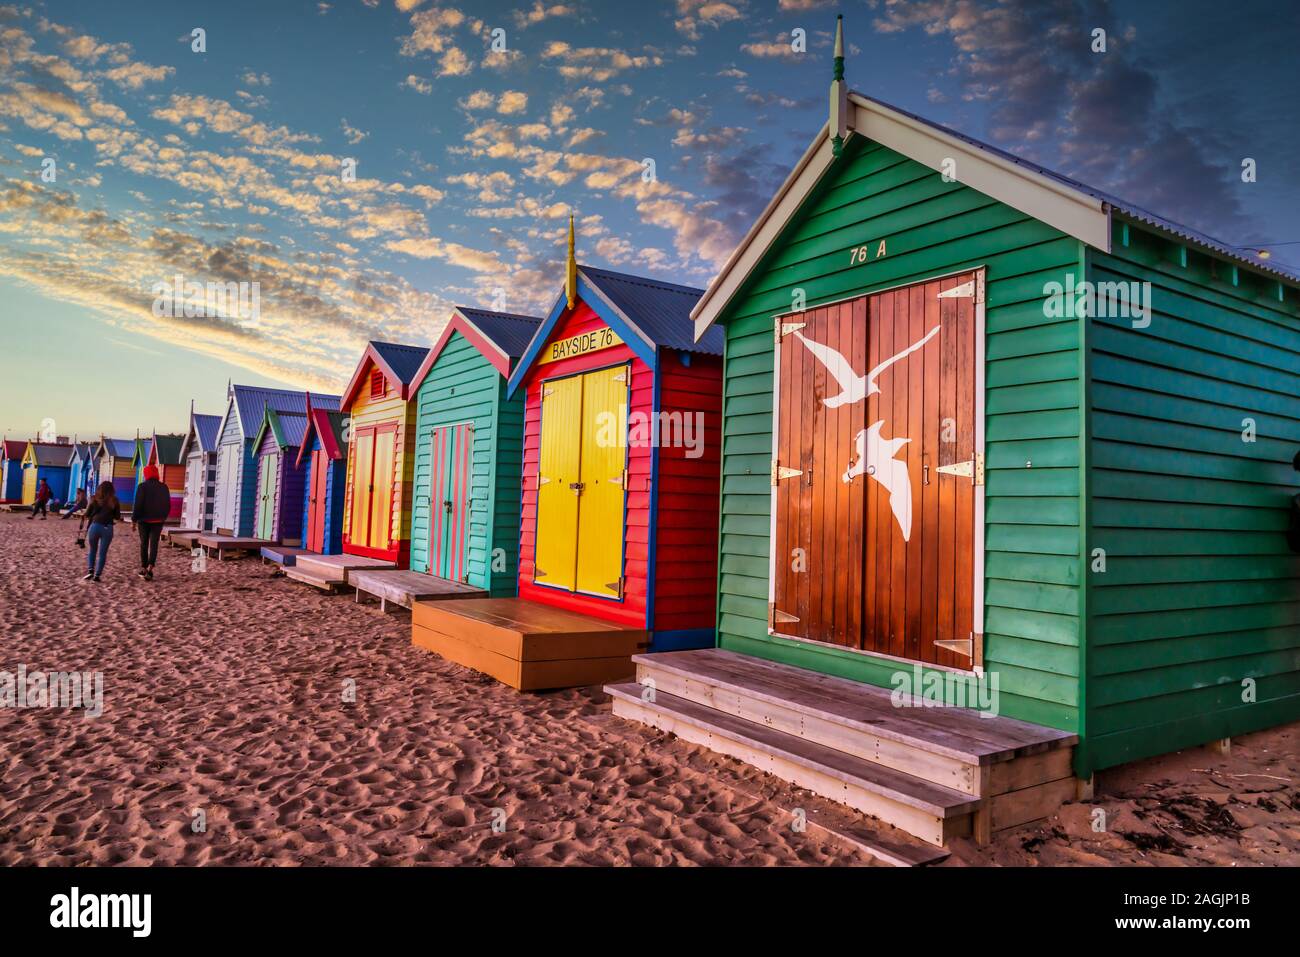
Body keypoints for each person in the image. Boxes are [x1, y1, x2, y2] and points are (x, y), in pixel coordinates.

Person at [132, 464, 171, 581]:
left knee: (144, 544)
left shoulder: (142, 487)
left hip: (143, 521)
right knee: (154, 544)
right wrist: (163, 517)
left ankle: (143, 567)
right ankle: (150, 568)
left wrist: (134, 519)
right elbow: (168, 505)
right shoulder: (164, 487)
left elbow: (138, 505)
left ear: (146, 474)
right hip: (158, 521)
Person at [79, 481, 121, 582]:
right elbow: (117, 517)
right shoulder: (114, 500)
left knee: (92, 550)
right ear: (112, 490)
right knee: (103, 553)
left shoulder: (94, 499)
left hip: (95, 526)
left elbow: (87, 514)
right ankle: (97, 575)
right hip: (107, 527)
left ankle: (90, 570)